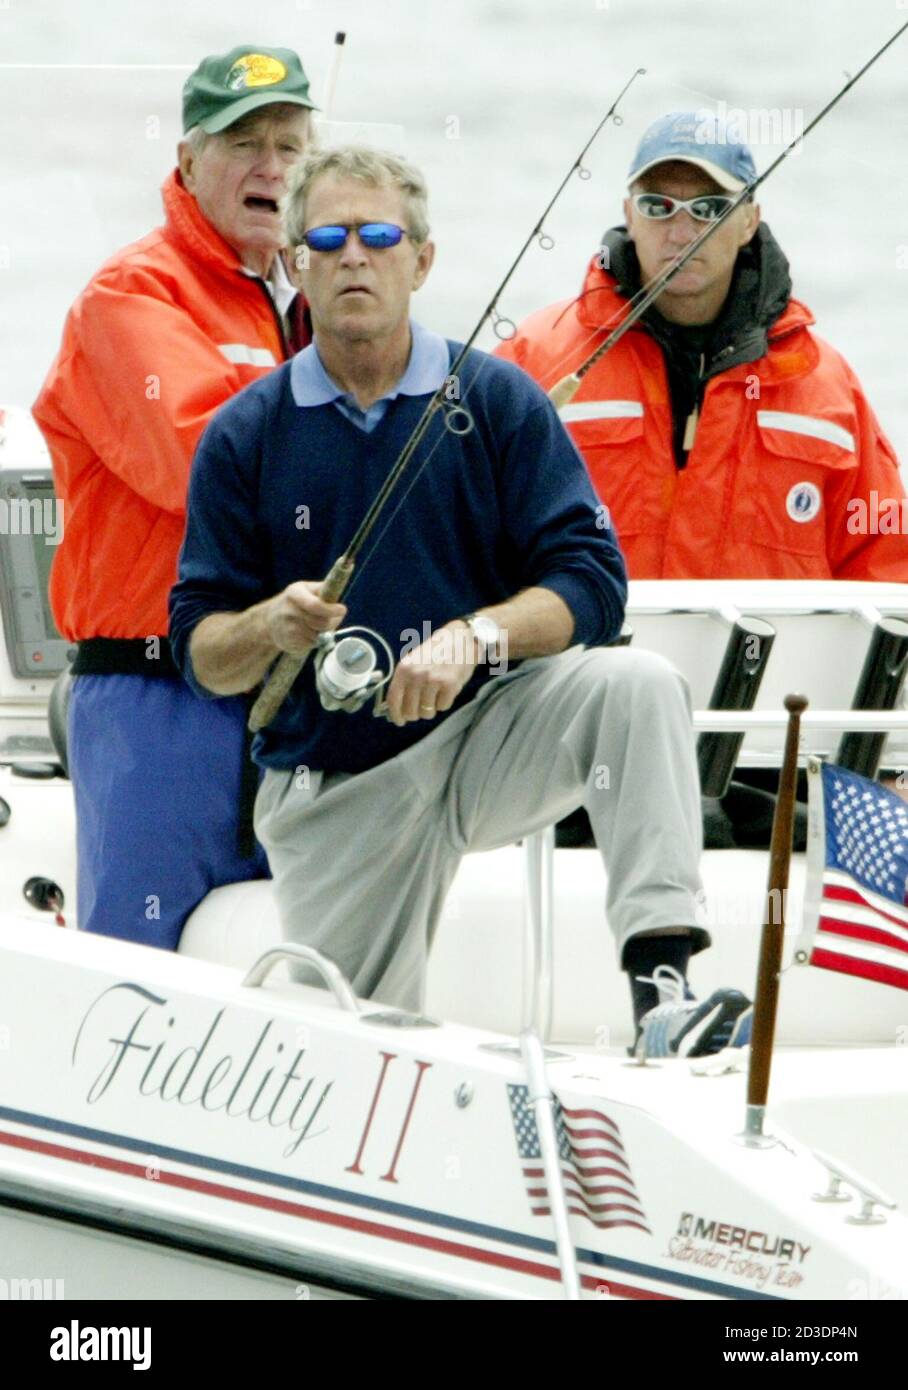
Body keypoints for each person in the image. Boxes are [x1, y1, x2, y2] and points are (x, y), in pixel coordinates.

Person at [169, 144, 752, 1057]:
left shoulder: (499, 400)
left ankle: (664, 995)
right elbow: (200, 651)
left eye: (378, 235)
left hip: (488, 736)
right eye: (327, 236)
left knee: (637, 685)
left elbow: (593, 585)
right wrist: (268, 625)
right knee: (349, 1056)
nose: (354, 255)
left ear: (421, 260)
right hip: (338, 783)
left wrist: (475, 639)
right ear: (297, 265)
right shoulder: (245, 435)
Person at [33, 45, 317, 949]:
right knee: (140, 989)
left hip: (286, 693)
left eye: (289, 143)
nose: (270, 165)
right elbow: (203, 464)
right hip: (157, 703)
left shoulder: (312, 307)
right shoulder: (132, 294)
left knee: (287, 976)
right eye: (243, 142)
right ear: (189, 161)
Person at [496, 110, 908, 583]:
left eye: (710, 208)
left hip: (771, 658)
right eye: (658, 206)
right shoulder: (533, 357)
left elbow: (887, 566)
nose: (682, 231)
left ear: (750, 220)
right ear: (629, 215)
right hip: (584, 656)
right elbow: (460, 531)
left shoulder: (826, 385)